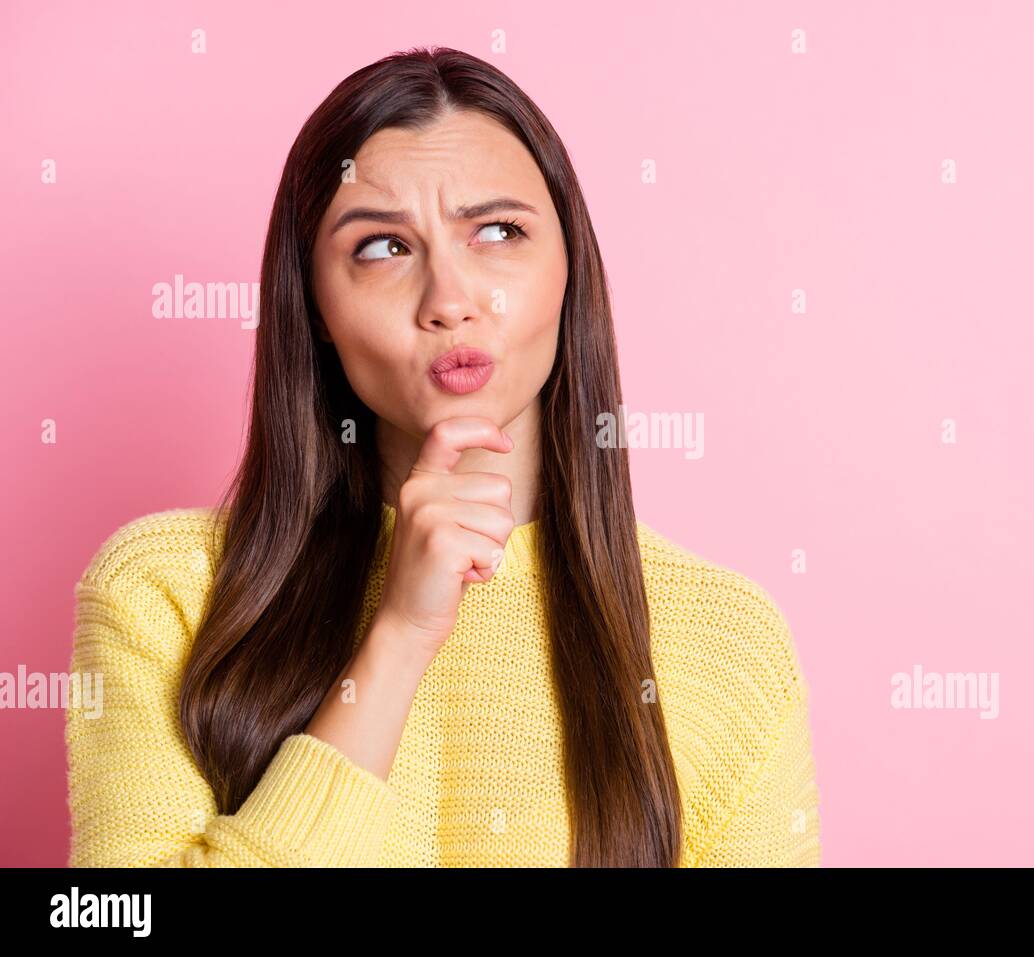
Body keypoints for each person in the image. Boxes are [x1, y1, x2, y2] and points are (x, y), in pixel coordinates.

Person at [65, 46, 819, 867]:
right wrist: (400, 633)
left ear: (572, 267)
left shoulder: (728, 646)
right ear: (313, 304)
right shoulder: (162, 595)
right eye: (383, 248)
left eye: (499, 232)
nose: (451, 300)